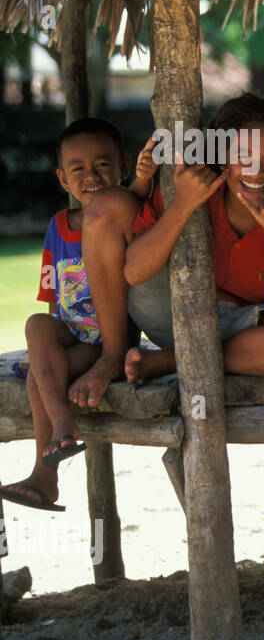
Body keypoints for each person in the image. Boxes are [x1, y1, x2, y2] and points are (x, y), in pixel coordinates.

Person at [83, 94, 264, 386]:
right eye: (242, 157)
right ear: (222, 158)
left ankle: (170, 361)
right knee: (105, 205)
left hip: (246, 331)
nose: (256, 171)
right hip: (174, 310)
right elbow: (135, 272)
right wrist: (183, 205)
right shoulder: (192, 183)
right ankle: (111, 355)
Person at [0, 118, 152, 512]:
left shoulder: (124, 215)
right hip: (71, 331)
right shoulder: (57, 226)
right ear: (62, 179)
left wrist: (140, 180)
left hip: (106, 340)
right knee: (36, 325)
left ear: (122, 164)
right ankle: (55, 446)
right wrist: (47, 350)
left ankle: (46, 469)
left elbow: (136, 198)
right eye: (78, 169)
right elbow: (54, 301)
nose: (91, 176)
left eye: (102, 165)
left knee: (39, 377)